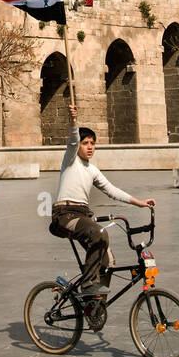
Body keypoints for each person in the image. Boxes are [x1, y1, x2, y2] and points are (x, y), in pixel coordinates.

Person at [49, 106, 155, 295]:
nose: (90, 147)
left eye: (93, 143)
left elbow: (111, 190)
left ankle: (96, 303)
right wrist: (73, 120)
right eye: (86, 143)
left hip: (83, 216)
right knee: (99, 233)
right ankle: (88, 283)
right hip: (65, 215)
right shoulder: (71, 160)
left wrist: (138, 202)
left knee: (108, 260)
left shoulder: (92, 170)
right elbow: (72, 141)